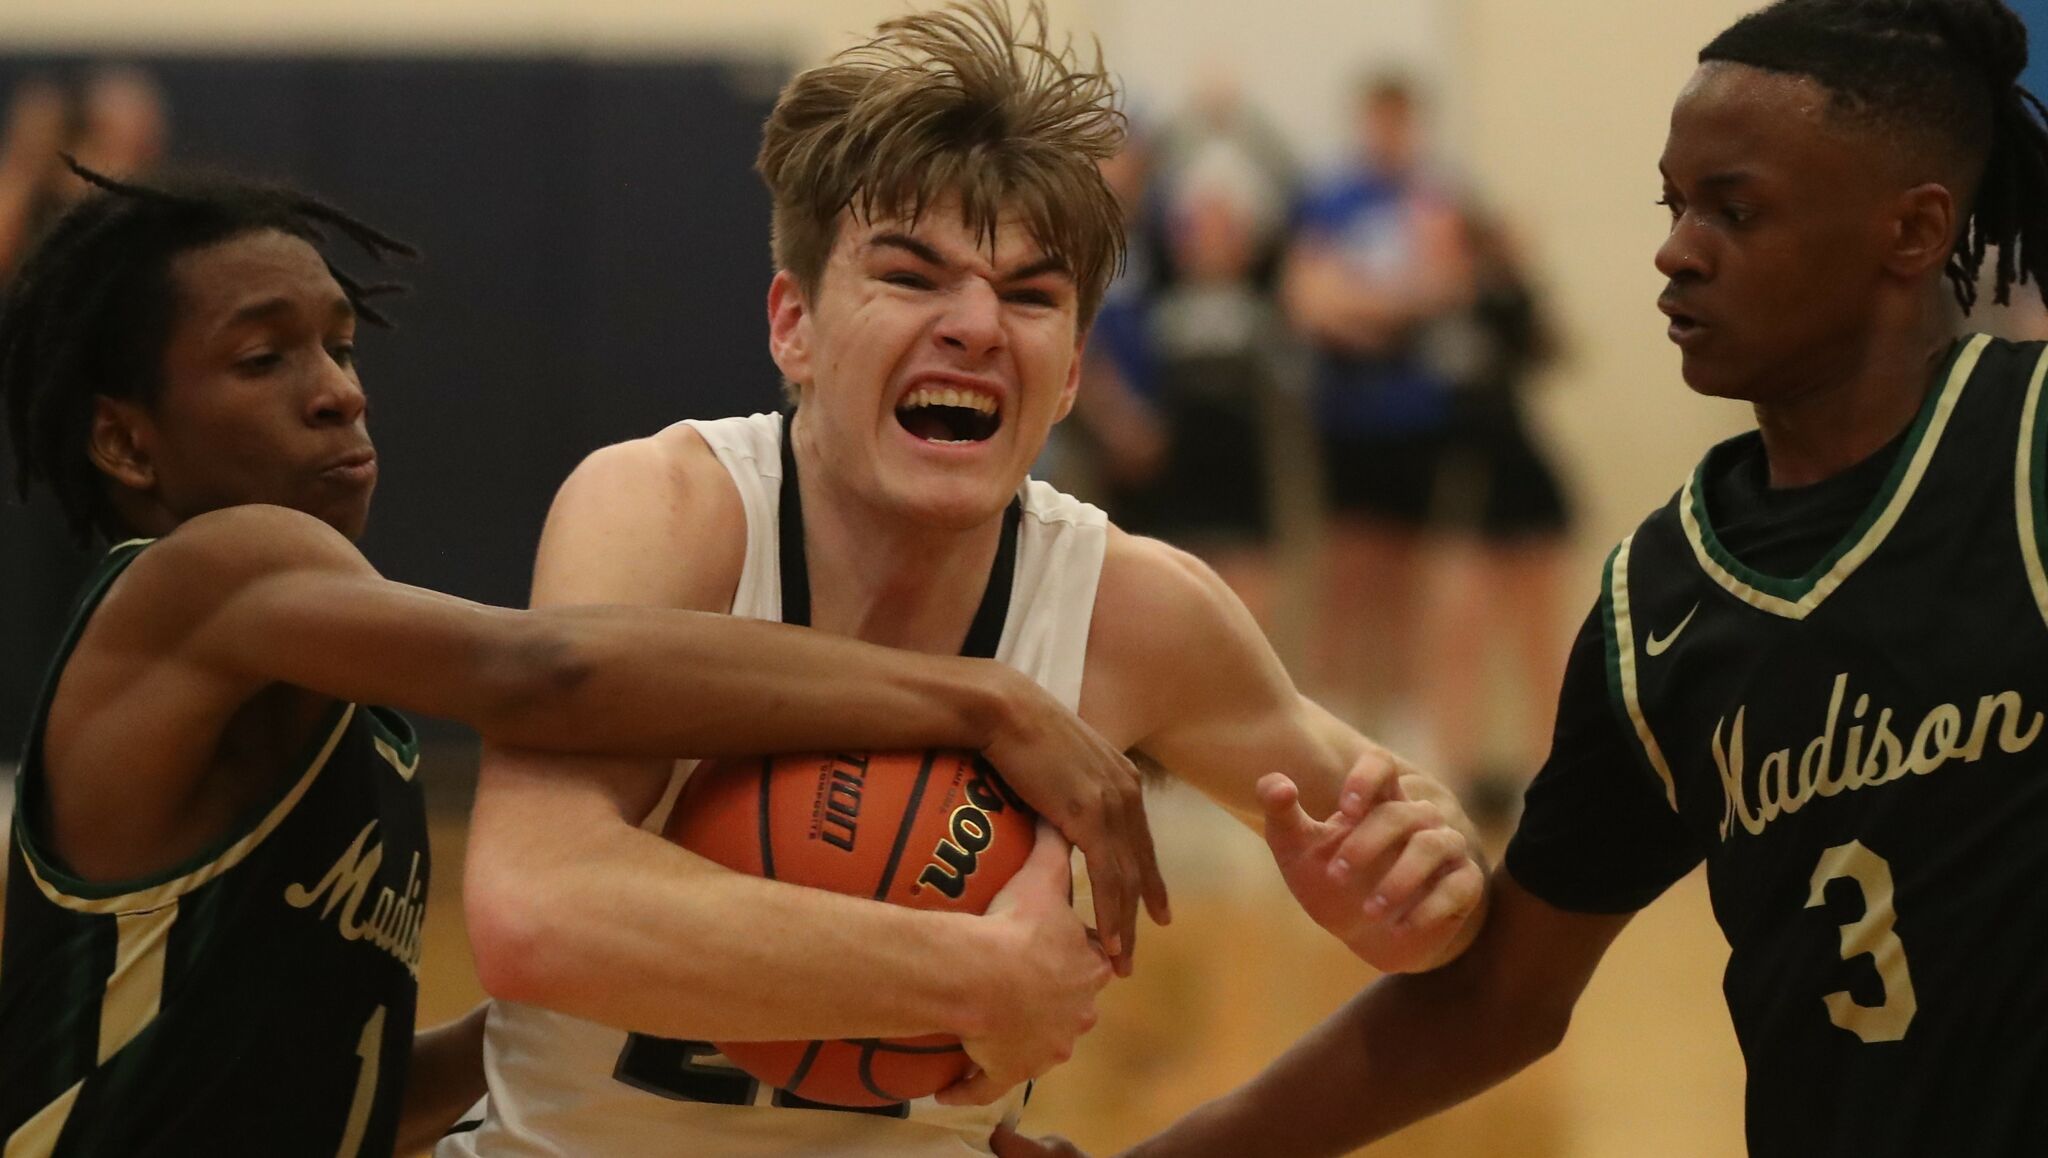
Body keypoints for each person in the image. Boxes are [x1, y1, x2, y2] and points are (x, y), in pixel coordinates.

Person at [994, 1, 2048, 1156]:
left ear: (1910, 230)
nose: (1676, 247)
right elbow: (1498, 997)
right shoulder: (1663, 596)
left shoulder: (2021, 444)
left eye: (1733, 210)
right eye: (1673, 204)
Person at [445, 3, 1488, 1156]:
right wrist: (963, 976)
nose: (978, 327)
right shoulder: (673, 515)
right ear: (793, 323)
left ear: (1074, 370)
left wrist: (1411, 907)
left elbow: (1438, 899)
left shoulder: (1134, 612)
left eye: (1032, 296)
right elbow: (533, 908)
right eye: (911, 275)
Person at [0, 161, 1166, 1157]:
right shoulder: (202, 576)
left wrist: (765, 1030)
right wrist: (983, 701)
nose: (337, 394)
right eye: (264, 360)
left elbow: (332, 1107)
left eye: (341, 346)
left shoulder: (342, 720)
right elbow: (546, 673)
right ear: (124, 438)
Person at [1283, 72, 1473, 733]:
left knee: (1407, 575)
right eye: (1379, 120)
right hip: (1346, 415)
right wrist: (1386, 306)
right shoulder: (1332, 200)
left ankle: (1402, 718)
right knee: (1346, 572)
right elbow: (1308, 301)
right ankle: (1330, 717)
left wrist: (1361, 305)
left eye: (1402, 121)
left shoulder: (1434, 198)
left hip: (1415, 417)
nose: (1390, 134)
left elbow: (1445, 286)